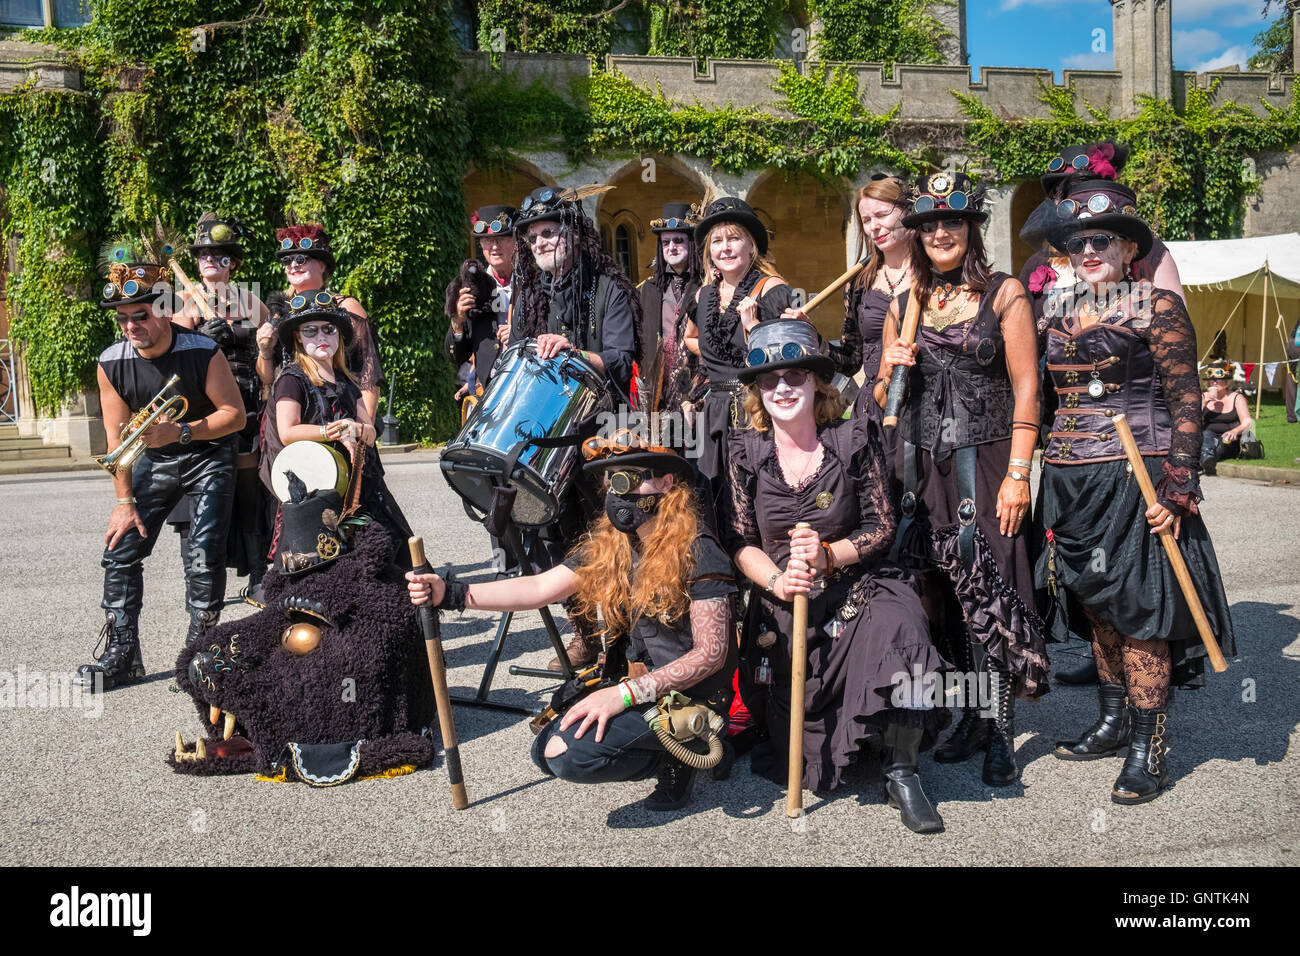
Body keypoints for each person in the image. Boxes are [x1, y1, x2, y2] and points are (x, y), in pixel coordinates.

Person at [407, 431, 737, 811]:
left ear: (666, 484)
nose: (618, 493)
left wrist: (622, 695)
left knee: (570, 756)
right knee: (545, 750)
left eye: (630, 478)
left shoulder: (699, 549)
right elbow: (539, 588)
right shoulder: (615, 545)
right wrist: (452, 592)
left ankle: (687, 747)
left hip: (691, 693)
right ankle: (664, 746)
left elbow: (710, 656)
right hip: (638, 683)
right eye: (611, 481)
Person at [1034, 195, 1236, 804]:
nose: (1089, 252)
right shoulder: (1057, 307)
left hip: (1136, 474)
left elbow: (1186, 403)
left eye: (1104, 242)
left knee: (1141, 609)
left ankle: (1149, 746)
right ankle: (1112, 719)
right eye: (1078, 244)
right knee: (1097, 605)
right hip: (1070, 479)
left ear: (1129, 252)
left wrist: (1179, 486)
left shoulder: (1159, 305)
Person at [722, 319, 949, 833]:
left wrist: (828, 554)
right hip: (785, 599)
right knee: (794, 745)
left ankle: (903, 772)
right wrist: (777, 582)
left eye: (795, 376)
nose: (782, 387)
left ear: (817, 383)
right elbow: (739, 541)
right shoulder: (744, 452)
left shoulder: (851, 438)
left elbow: (882, 526)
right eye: (768, 380)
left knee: (901, 626)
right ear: (757, 391)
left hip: (856, 584)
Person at [879, 171, 1050, 787]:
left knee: (995, 584)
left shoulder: (1004, 294)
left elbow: (1028, 385)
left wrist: (1019, 474)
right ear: (918, 235)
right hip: (925, 465)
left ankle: (1001, 729)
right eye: (928, 226)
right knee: (947, 594)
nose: (940, 233)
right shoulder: (903, 304)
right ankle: (971, 718)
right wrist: (888, 369)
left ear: (971, 229)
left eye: (952, 223)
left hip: (992, 457)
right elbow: (883, 398)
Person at [77, 249, 244, 690]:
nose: (133, 326)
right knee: (120, 549)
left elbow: (234, 415)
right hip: (155, 457)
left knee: (204, 555)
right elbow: (117, 442)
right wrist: (123, 502)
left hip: (209, 456)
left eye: (142, 315)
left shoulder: (204, 351)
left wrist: (183, 433)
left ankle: (200, 656)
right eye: (123, 318)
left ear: (165, 311)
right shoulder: (111, 362)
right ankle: (121, 654)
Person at [508, 184, 642, 669]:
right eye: (533, 236)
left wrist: (573, 351)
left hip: (602, 428)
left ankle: (624, 641)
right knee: (552, 532)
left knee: (611, 532)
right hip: (547, 432)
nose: (541, 241)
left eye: (549, 232)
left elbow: (622, 358)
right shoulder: (528, 296)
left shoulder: (610, 289)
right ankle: (583, 629)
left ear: (573, 233)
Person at [264, 290, 413, 561]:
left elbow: (369, 433)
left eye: (328, 329)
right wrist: (329, 431)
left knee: (390, 558)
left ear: (338, 336)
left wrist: (353, 429)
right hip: (316, 492)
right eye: (310, 330)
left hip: (358, 488)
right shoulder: (291, 379)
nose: (321, 337)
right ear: (298, 337)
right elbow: (287, 432)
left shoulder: (348, 381)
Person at [170, 213, 274, 601]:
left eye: (220, 254)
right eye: (203, 255)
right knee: (200, 492)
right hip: (202, 407)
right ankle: (199, 583)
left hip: (248, 403)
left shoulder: (252, 301)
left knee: (251, 489)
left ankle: (261, 575)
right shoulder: (177, 301)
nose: (211, 260)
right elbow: (166, 358)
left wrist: (264, 348)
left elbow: (270, 360)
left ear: (234, 262)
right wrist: (192, 335)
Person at [682, 197, 793, 524]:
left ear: (751, 247)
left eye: (734, 238)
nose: (725, 248)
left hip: (756, 409)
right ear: (709, 251)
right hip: (711, 412)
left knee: (755, 503)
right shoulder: (702, 295)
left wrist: (754, 330)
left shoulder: (771, 289)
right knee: (711, 504)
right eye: (717, 241)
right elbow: (692, 339)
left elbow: (794, 357)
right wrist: (697, 392)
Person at [276, 223, 383, 422]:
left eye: (302, 259)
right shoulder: (279, 311)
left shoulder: (347, 307)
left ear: (322, 265)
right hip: (291, 415)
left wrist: (364, 430)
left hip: (341, 412)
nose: (293, 265)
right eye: (287, 260)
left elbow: (368, 371)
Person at [636, 201, 705, 414]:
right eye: (666, 242)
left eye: (678, 240)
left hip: (696, 388)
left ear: (691, 243)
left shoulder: (707, 286)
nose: (671, 247)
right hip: (657, 389)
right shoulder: (648, 289)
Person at [445, 204, 516, 391]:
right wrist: (458, 321)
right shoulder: (471, 287)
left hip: (525, 384)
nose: (494, 247)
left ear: (516, 242)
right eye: (487, 240)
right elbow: (456, 357)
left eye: (501, 239)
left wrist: (519, 334)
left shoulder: (534, 284)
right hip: (487, 391)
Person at [1200, 360, 1253, 473]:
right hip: (1208, 437)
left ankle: (1204, 460)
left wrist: (1235, 431)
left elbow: (1247, 422)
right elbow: (1192, 421)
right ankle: (1207, 460)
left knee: (1222, 443)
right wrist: (1203, 404)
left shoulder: (1236, 397)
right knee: (1206, 435)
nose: (1214, 382)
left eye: (1218, 379)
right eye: (1211, 380)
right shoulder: (1203, 397)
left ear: (1226, 382)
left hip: (1229, 439)